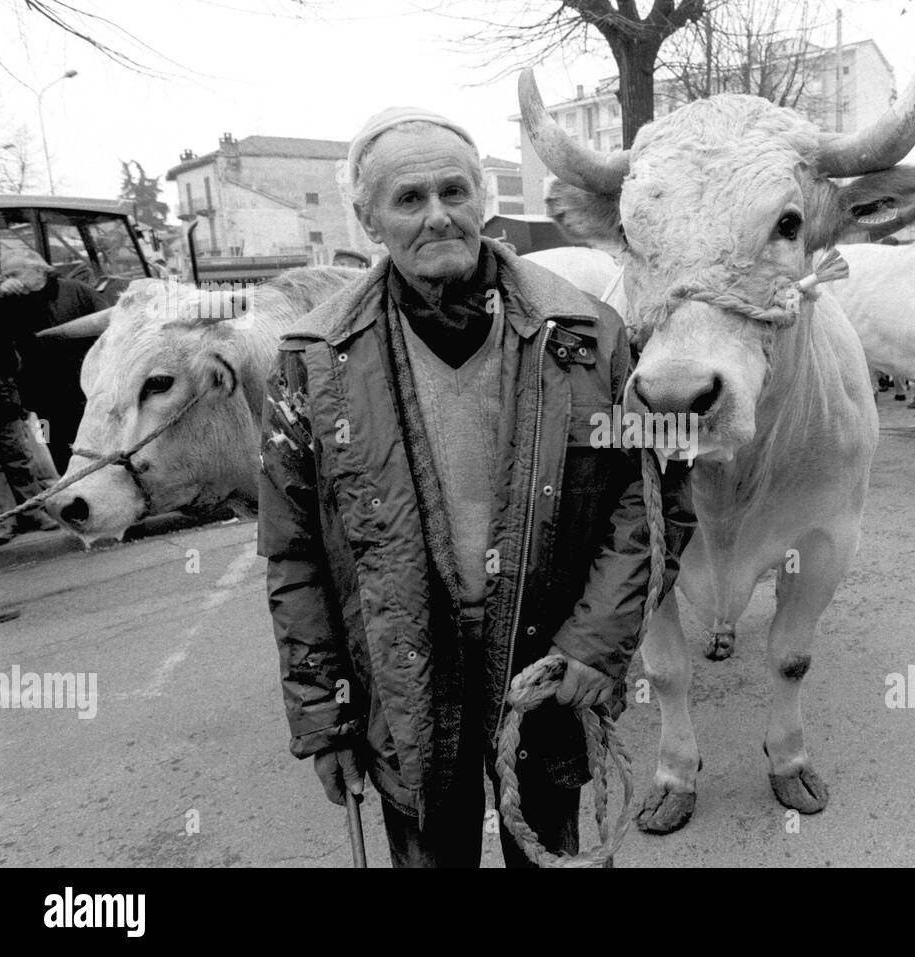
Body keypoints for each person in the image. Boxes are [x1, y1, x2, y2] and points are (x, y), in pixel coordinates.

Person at [257, 107, 694, 868]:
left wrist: (597, 641)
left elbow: (656, 493)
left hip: (545, 667)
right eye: (408, 199)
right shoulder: (312, 360)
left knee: (550, 852)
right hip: (402, 682)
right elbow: (294, 556)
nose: (437, 217)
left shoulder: (587, 333)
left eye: (454, 191)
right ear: (368, 220)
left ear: (483, 200)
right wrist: (323, 716)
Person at [0, 248, 108, 473]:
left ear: (38, 270)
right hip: (40, 400)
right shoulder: (9, 303)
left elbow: (109, 328)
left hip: (83, 392)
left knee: (91, 446)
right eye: (5, 276)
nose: (9, 281)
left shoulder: (79, 292)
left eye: (14, 274)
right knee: (53, 446)